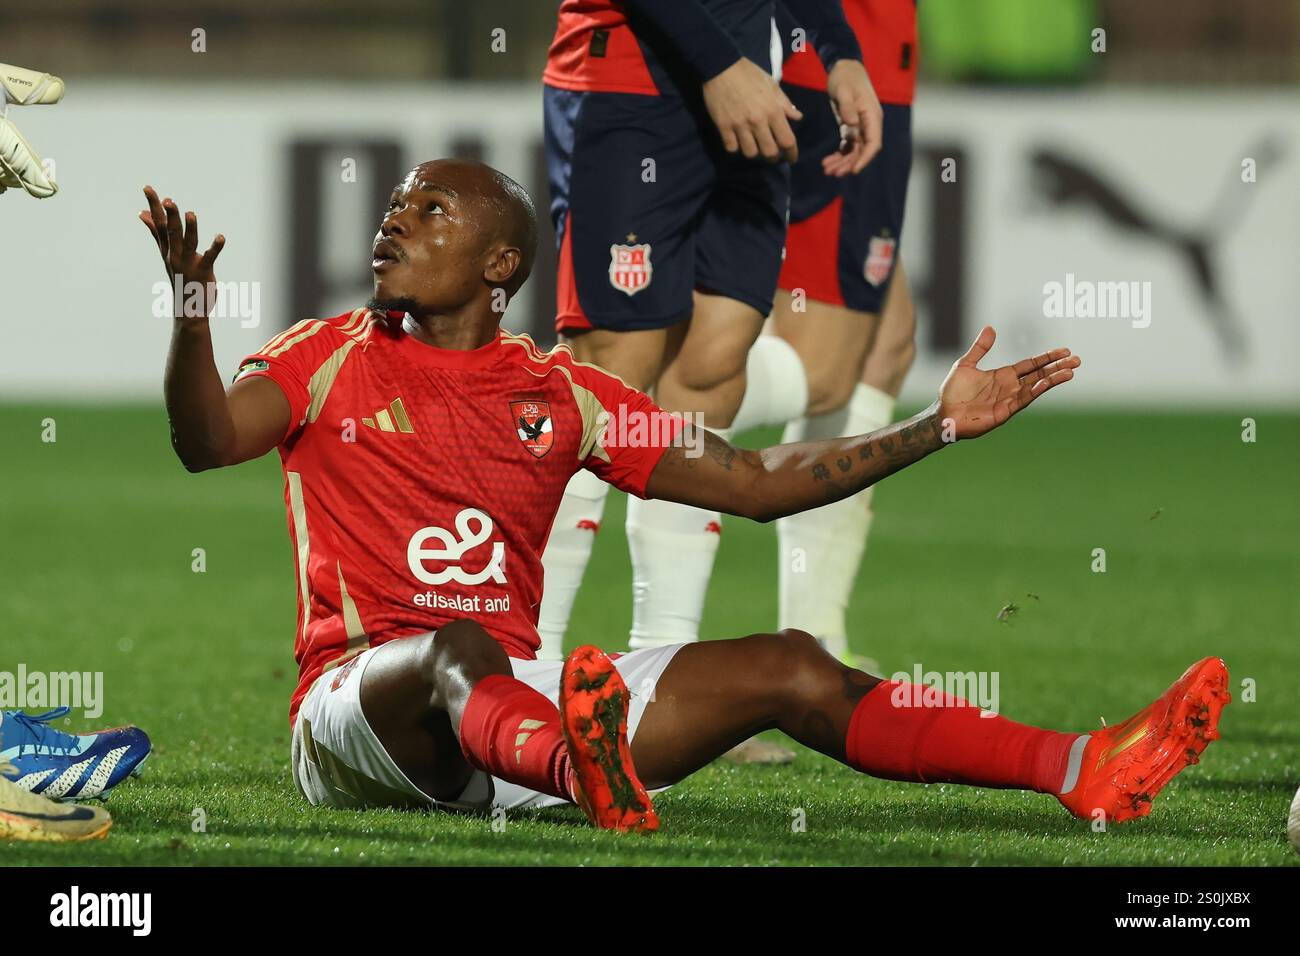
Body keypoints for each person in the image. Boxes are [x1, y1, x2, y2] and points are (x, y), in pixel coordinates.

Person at [139, 159, 1226, 831]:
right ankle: (582, 767)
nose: (395, 223)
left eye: (428, 210)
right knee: (454, 646)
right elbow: (205, 441)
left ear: (498, 263)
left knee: (793, 664)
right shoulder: (327, 354)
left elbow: (752, 483)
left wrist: (937, 425)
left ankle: (1077, 765)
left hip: (516, 713)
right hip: (358, 716)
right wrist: (192, 315)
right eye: (394, 206)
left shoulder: (565, 393)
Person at [537, 0, 883, 665]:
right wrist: (719, 65)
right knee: (607, 370)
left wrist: (839, 53)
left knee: (712, 366)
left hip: (754, 91)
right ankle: (526, 668)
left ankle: (663, 677)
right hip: (635, 84)